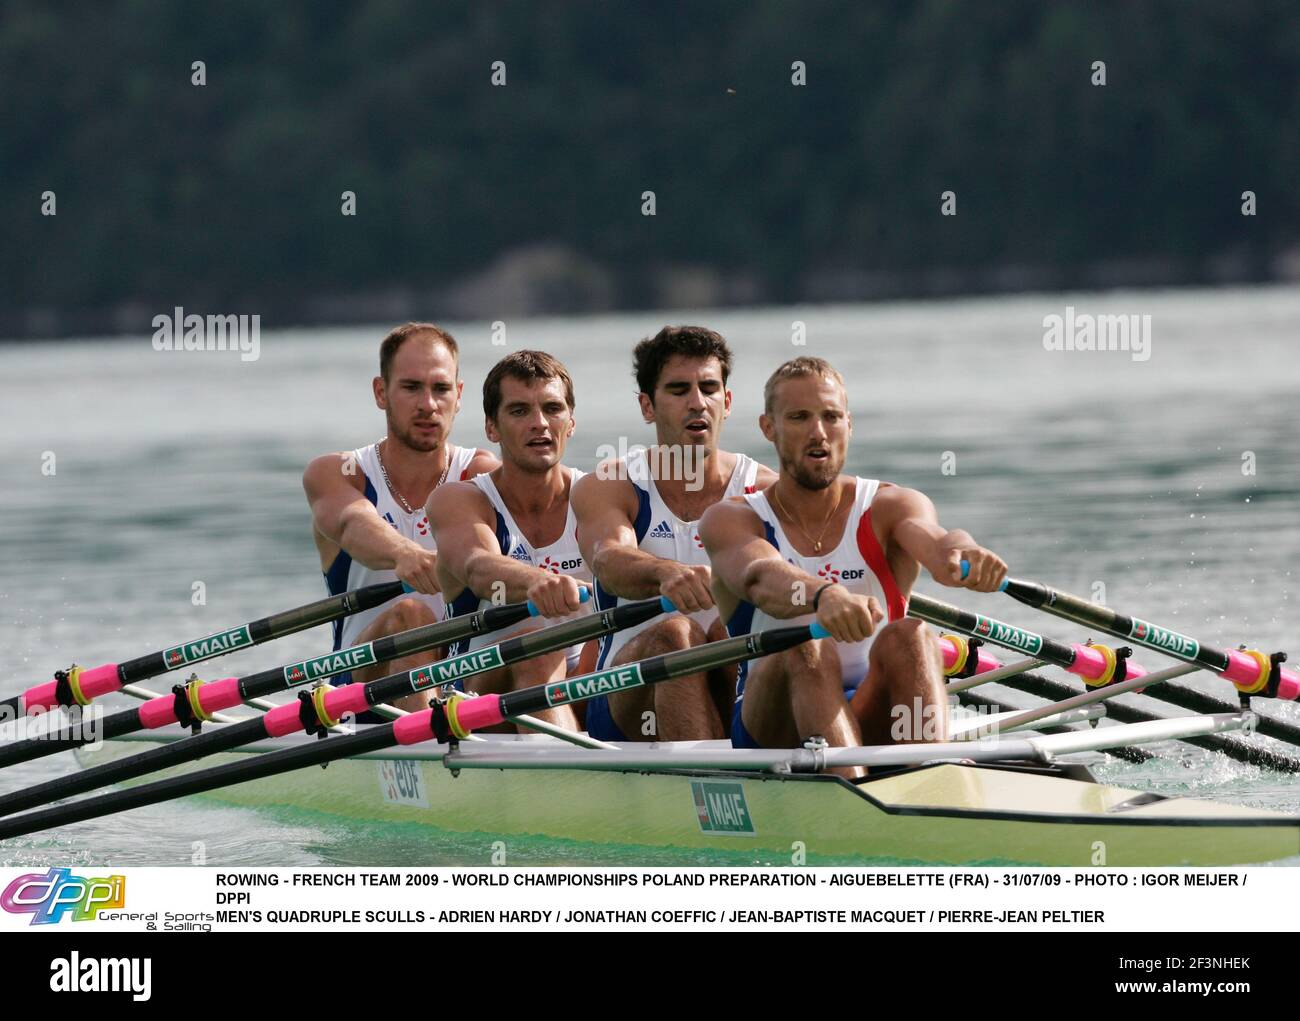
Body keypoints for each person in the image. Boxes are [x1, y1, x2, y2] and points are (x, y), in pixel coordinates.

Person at [699, 356, 1007, 771]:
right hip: (771, 727)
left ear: (849, 424)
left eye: (831, 417)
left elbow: (938, 542)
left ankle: (935, 778)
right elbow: (758, 577)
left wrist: (964, 552)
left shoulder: (891, 504)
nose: (818, 433)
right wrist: (824, 595)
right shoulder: (731, 518)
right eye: (799, 417)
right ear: (768, 428)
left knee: (912, 635)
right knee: (806, 645)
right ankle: (853, 792)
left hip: (873, 708)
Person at [572, 326, 776, 741]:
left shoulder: (767, 491)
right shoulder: (611, 484)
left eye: (709, 388)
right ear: (648, 406)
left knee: (726, 633)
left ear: (728, 401)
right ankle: (710, 785)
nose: (697, 403)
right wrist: (666, 573)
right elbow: (608, 558)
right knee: (676, 633)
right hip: (627, 704)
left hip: (733, 682)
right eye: (679, 390)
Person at [304, 323, 497, 712]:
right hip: (357, 691)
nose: (428, 404)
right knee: (412, 614)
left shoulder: (481, 476)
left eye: (441, 389)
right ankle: (428, 746)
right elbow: (352, 522)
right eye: (411, 388)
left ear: (459, 396)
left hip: (460, 683)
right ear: (381, 392)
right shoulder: (338, 473)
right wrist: (403, 554)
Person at [427, 351, 591, 731]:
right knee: (534, 644)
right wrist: (539, 582)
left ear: (571, 422)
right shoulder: (460, 500)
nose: (540, 424)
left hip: (586, 680)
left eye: (552, 409)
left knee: (672, 637)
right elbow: (478, 566)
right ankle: (568, 778)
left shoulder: (599, 495)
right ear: (492, 428)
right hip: (480, 696)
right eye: (519, 411)